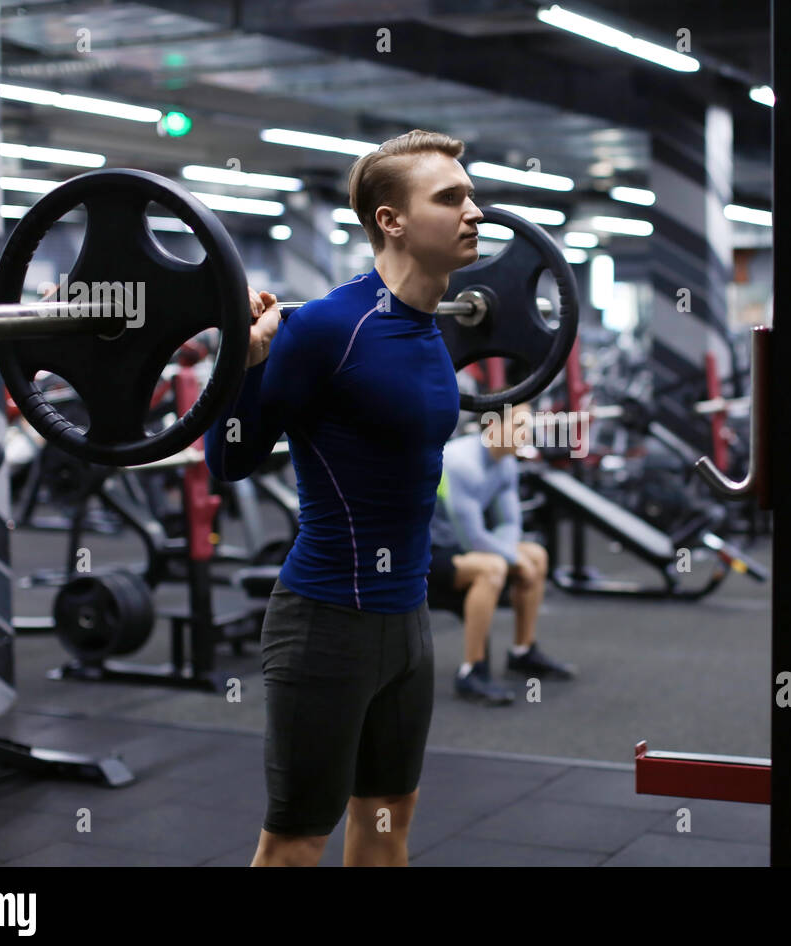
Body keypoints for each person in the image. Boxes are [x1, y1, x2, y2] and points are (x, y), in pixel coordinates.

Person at [204, 129, 478, 867]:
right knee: (295, 846)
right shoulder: (330, 325)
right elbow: (229, 458)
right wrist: (246, 365)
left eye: (471, 195)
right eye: (450, 198)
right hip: (326, 620)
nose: (473, 211)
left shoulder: (428, 330)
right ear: (390, 221)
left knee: (390, 819)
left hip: (407, 621)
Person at [427, 403, 575, 705]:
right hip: (427, 552)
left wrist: (516, 557)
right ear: (493, 428)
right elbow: (473, 539)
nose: (526, 434)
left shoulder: (506, 461)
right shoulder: (460, 462)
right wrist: (511, 559)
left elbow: (510, 523)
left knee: (536, 555)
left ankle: (522, 652)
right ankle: (471, 671)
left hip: (464, 546)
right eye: (519, 426)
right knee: (492, 567)